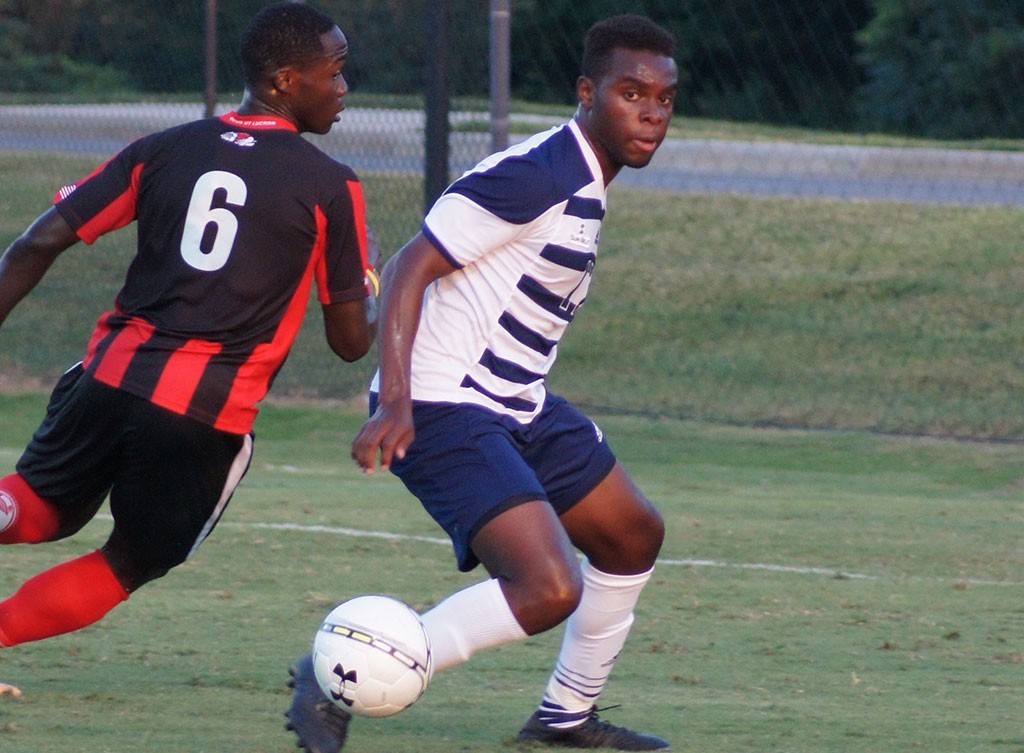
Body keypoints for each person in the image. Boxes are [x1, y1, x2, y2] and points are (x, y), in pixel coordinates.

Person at [287, 13, 679, 753]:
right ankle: (335, 672)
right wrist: (398, 401)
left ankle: (565, 716)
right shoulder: (541, 171)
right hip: (441, 404)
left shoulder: (587, 179)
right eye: (632, 94)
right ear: (588, 92)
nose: (652, 113)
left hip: (514, 404)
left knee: (633, 533)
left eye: (663, 98)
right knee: (548, 587)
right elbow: (408, 266)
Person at [0, 1, 376, 710]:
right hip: (200, 411)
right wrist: (371, 280)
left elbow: (36, 243)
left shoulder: (163, 147)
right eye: (335, 72)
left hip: (106, 377)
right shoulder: (331, 184)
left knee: (40, 508)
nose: (344, 88)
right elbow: (351, 343)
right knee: (131, 560)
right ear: (285, 81)